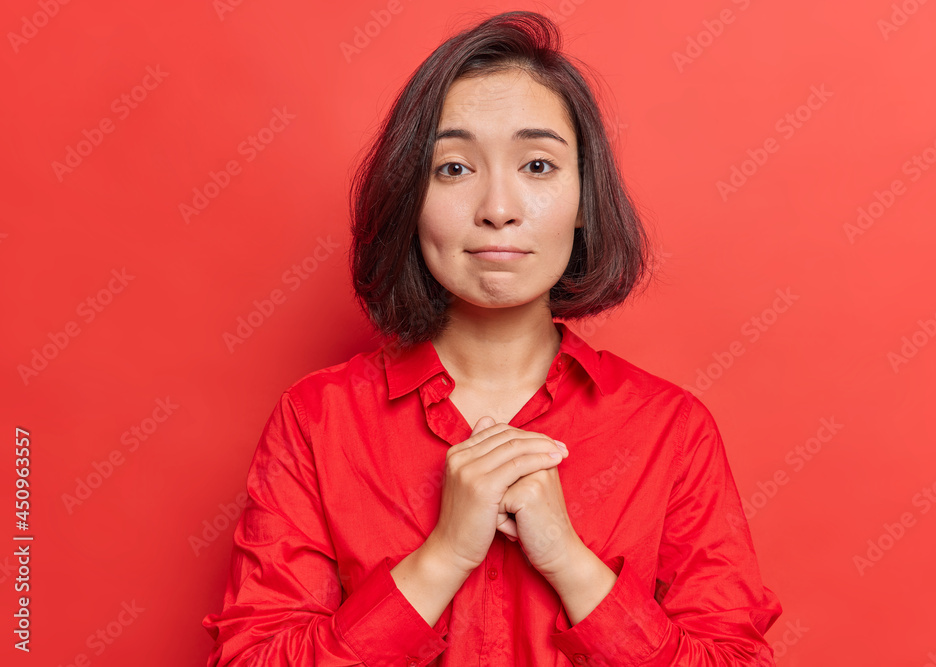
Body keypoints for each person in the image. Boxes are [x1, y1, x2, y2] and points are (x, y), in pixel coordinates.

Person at [203, 10, 781, 666]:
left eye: (537, 165)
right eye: (454, 168)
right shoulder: (317, 421)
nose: (498, 209)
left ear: (585, 200)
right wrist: (443, 556)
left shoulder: (670, 431)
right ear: (409, 198)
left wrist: (569, 561)